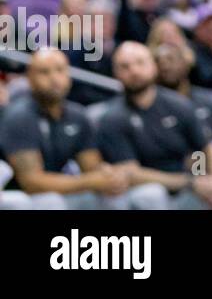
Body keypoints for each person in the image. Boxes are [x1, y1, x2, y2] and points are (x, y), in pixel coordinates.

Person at [97, 42, 212, 209]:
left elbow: (204, 149)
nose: (134, 71)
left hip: (186, 185)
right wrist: (190, 182)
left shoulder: (179, 105)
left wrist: (211, 180)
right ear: (115, 73)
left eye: (140, 62)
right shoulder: (111, 118)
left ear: (153, 66)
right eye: (125, 67)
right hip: (144, 190)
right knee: (152, 194)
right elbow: (131, 173)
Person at [0, 49, 129, 209]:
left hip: (60, 189)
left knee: (111, 196)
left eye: (60, 70)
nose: (54, 79)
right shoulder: (18, 116)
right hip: (19, 196)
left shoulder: (78, 115)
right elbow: (31, 182)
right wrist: (92, 181)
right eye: (44, 72)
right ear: (30, 78)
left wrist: (109, 176)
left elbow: (90, 167)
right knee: (51, 202)